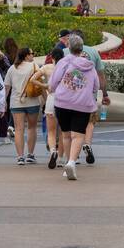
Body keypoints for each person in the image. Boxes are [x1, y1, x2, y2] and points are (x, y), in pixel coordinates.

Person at [47, 33, 101, 180]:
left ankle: (66, 163)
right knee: (78, 136)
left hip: (62, 103)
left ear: (68, 47)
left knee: (65, 135)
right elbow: (96, 86)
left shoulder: (63, 62)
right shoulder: (90, 66)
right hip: (83, 104)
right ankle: (72, 162)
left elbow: (53, 82)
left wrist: (54, 89)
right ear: (81, 48)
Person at [72, 29, 108, 164]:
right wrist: (104, 93)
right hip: (89, 96)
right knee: (89, 122)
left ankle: (73, 156)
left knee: (72, 124)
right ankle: (87, 143)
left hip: (70, 96)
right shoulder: (93, 52)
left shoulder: (65, 53)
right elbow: (101, 75)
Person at [4, 47, 44, 164]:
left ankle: (20, 157)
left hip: (16, 102)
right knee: (32, 128)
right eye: (32, 53)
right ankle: (30, 155)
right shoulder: (34, 66)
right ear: (26, 56)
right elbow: (40, 84)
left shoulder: (12, 68)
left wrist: (3, 103)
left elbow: (7, 87)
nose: (33, 56)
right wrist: (46, 101)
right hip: (32, 101)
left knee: (19, 129)